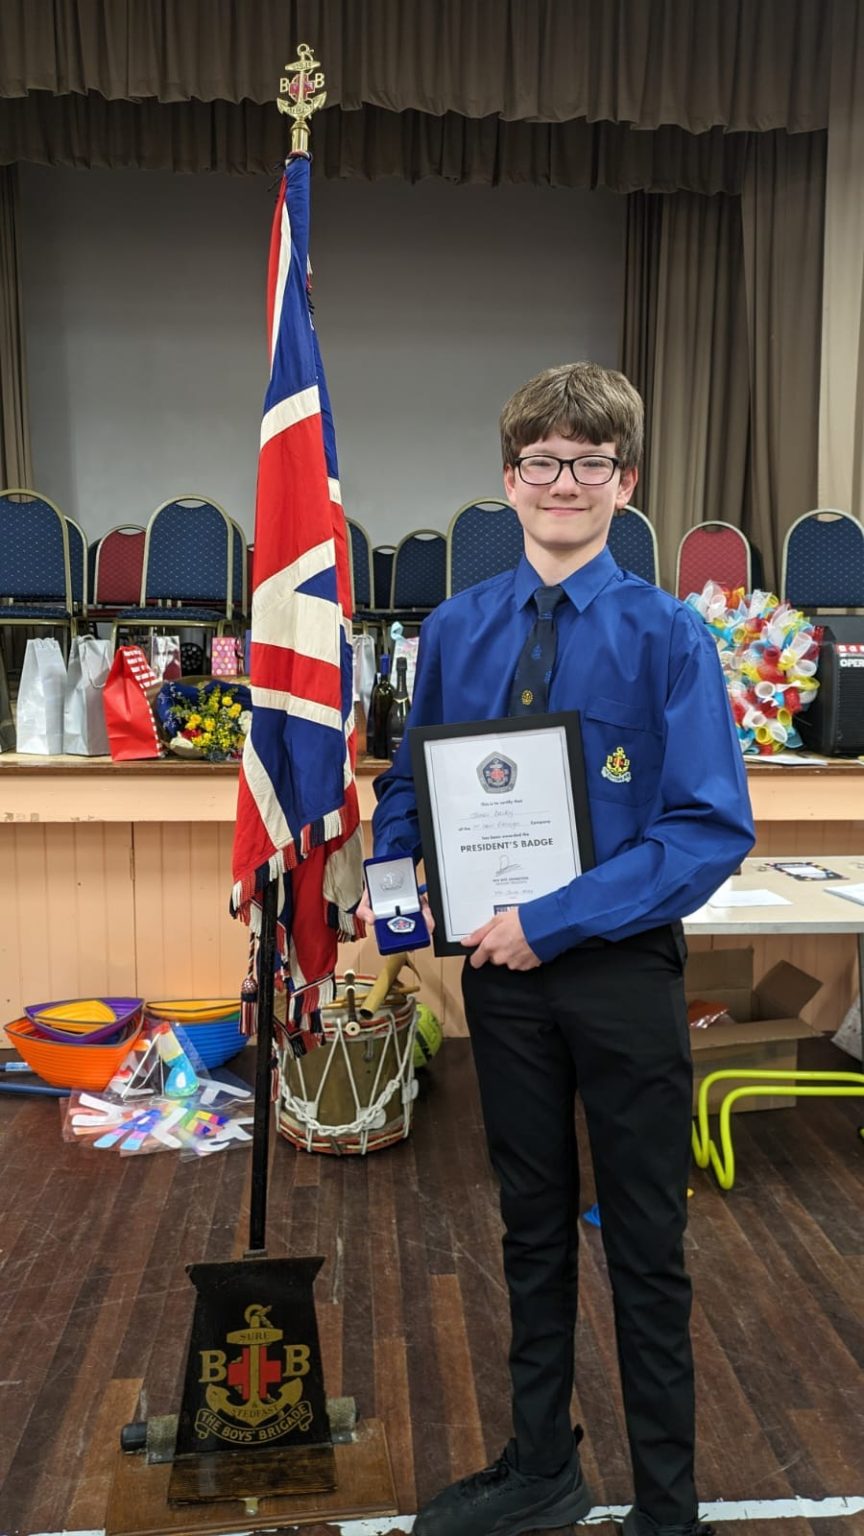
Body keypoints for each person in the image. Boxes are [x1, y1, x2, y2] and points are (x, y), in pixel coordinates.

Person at [357, 362, 754, 1536]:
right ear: (509, 479)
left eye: (590, 463)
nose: (564, 482)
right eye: (543, 461)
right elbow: (409, 784)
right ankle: (542, 1465)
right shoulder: (456, 629)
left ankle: (666, 1510)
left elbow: (706, 831)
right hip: (503, 984)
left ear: (625, 483)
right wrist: (394, 894)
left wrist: (552, 920)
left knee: (644, 1241)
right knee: (529, 1228)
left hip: (622, 977)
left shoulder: (669, 635)